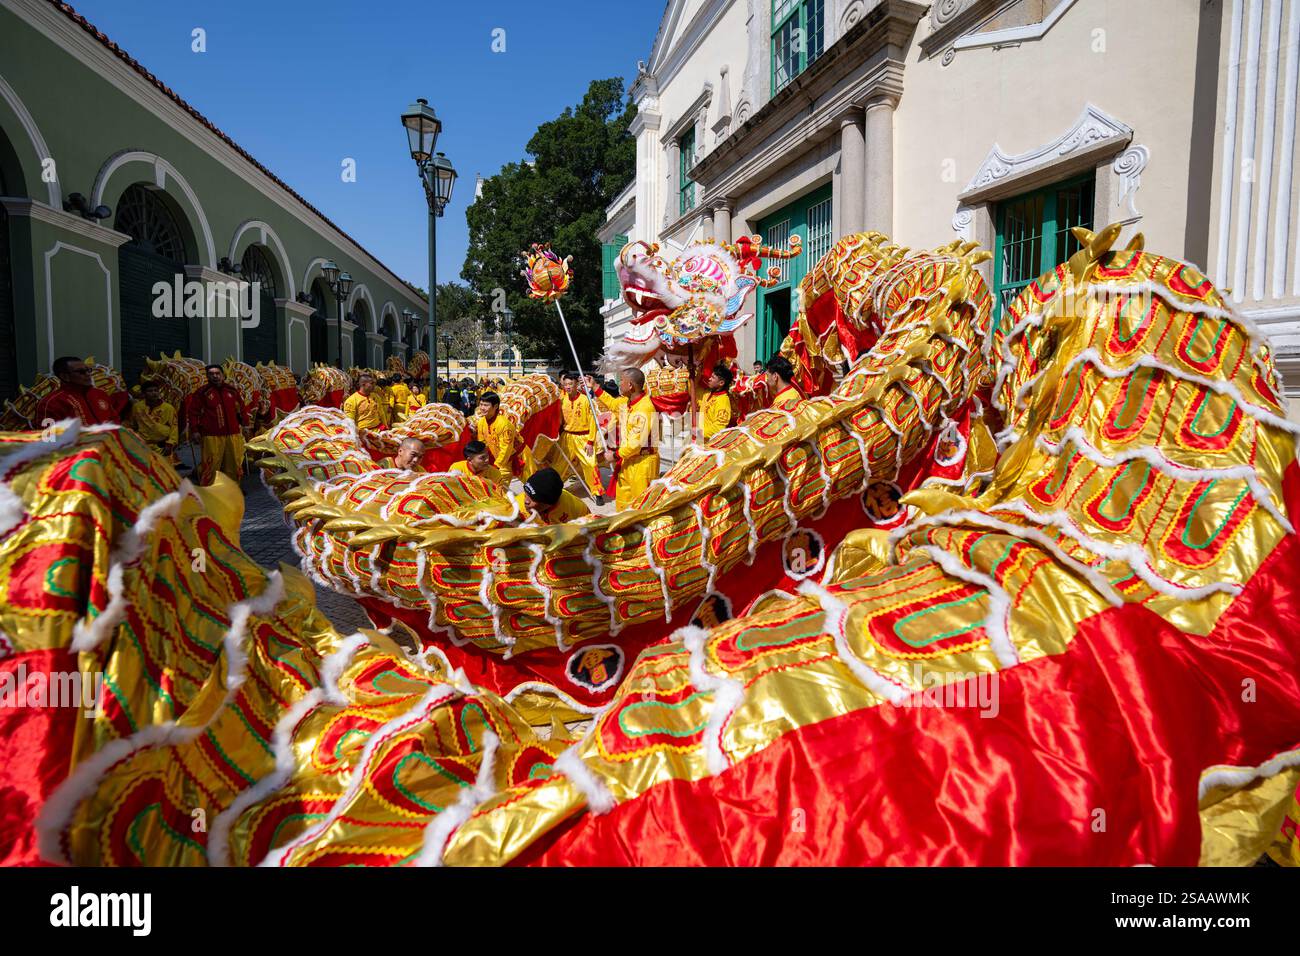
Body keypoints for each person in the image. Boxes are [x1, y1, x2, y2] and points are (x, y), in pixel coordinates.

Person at [603, 367, 659, 509]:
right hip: (628, 459)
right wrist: (595, 387)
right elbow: (612, 404)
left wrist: (615, 455)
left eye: (621, 380)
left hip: (643, 463)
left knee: (641, 507)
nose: (619, 383)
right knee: (623, 504)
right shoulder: (627, 403)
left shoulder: (644, 408)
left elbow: (635, 444)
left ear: (630, 386)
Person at [187, 364, 248, 485]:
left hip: (233, 434)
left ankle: (233, 489)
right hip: (211, 435)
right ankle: (210, 490)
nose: (215, 376)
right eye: (211, 374)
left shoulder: (232, 391)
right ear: (208, 377)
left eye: (217, 373)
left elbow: (241, 409)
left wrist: (245, 424)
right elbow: (193, 412)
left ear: (223, 375)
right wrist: (194, 430)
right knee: (212, 464)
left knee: (234, 464)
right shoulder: (202, 392)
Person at [556, 370, 603, 501]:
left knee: (590, 465)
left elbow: (593, 422)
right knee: (559, 465)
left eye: (571, 384)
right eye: (565, 384)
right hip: (567, 437)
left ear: (576, 385)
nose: (568, 386)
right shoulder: (561, 400)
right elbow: (558, 419)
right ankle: (553, 489)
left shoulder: (586, 400)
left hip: (584, 437)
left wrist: (590, 441)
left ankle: (597, 492)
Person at [34, 356, 120, 426]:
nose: (87, 374)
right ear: (64, 376)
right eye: (81, 372)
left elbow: (115, 421)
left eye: (88, 370)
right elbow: (49, 439)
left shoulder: (100, 394)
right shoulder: (51, 403)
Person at [515, 467, 589, 524]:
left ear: (549, 503)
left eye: (533, 498)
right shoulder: (515, 507)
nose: (526, 501)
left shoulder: (576, 509)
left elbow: (591, 528)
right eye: (526, 494)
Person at [128, 379, 178, 461]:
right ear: (144, 393)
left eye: (156, 390)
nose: (154, 393)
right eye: (150, 391)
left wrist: (170, 444)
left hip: (161, 447)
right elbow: (133, 425)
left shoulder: (168, 408)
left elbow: (174, 427)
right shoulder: (137, 407)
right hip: (142, 446)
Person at [474, 391, 517, 477]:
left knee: (534, 484)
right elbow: (483, 444)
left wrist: (496, 465)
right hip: (501, 460)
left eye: (486, 405)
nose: (482, 408)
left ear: (496, 406)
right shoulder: (481, 422)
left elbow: (506, 448)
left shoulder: (503, 424)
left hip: (516, 456)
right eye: (481, 404)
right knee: (497, 486)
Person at [700, 362, 738, 440]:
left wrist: (700, 433)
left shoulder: (723, 400)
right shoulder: (707, 395)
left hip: (709, 444)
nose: (709, 379)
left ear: (721, 383)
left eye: (713, 377)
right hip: (699, 440)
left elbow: (719, 427)